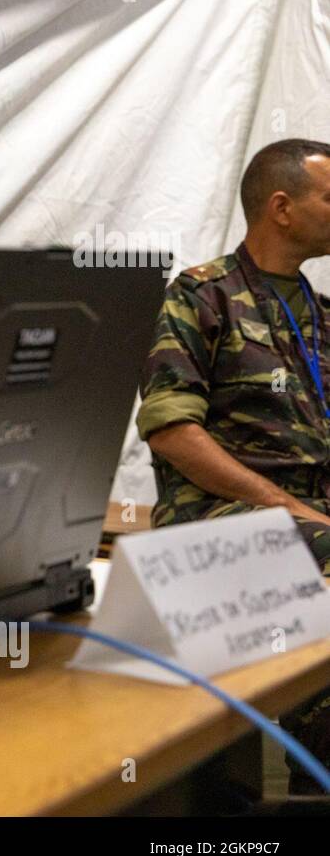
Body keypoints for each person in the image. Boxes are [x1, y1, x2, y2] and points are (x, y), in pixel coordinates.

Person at [138, 137, 330, 794]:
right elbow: (171, 432)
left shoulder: (319, 314)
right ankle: (298, 769)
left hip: (308, 516)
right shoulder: (201, 297)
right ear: (281, 206)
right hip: (216, 514)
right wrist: (280, 504)